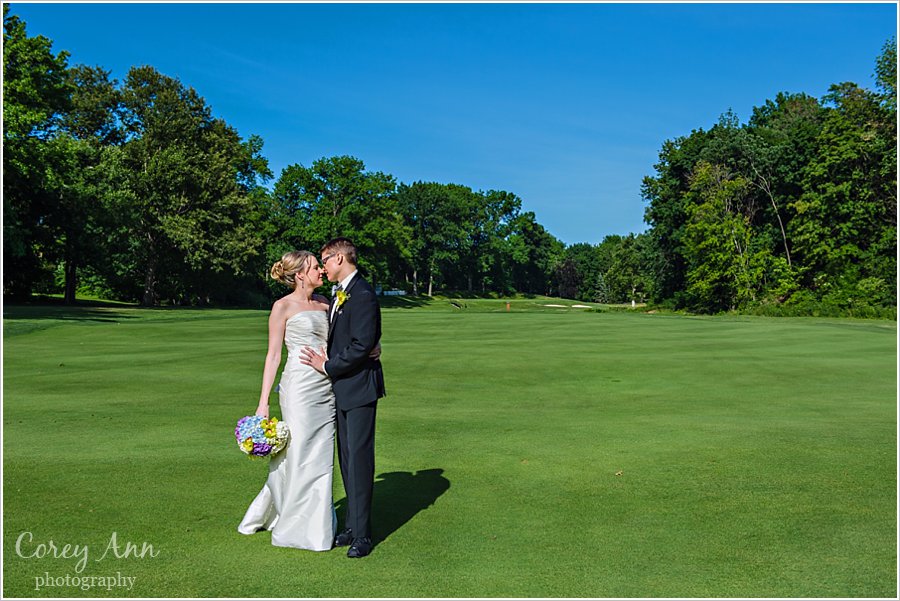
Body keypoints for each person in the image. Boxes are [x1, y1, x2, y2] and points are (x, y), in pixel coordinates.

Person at [237, 250, 336, 551]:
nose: (321, 270)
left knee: (321, 454)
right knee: (297, 452)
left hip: (326, 387)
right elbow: (274, 355)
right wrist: (263, 401)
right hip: (298, 388)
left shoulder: (326, 304)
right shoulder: (282, 307)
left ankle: (317, 524)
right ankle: (293, 522)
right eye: (315, 267)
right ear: (300, 274)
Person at [301, 237, 385, 558]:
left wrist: (326, 365)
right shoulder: (341, 293)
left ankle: (363, 535)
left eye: (325, 260)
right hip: (343, 389)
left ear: (339, 258)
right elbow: (359, 339)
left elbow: (363, 344)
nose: (323, 267)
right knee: (347, 461)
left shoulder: (362, 293)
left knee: (360, 462)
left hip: (360, 388)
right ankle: (351, 526)